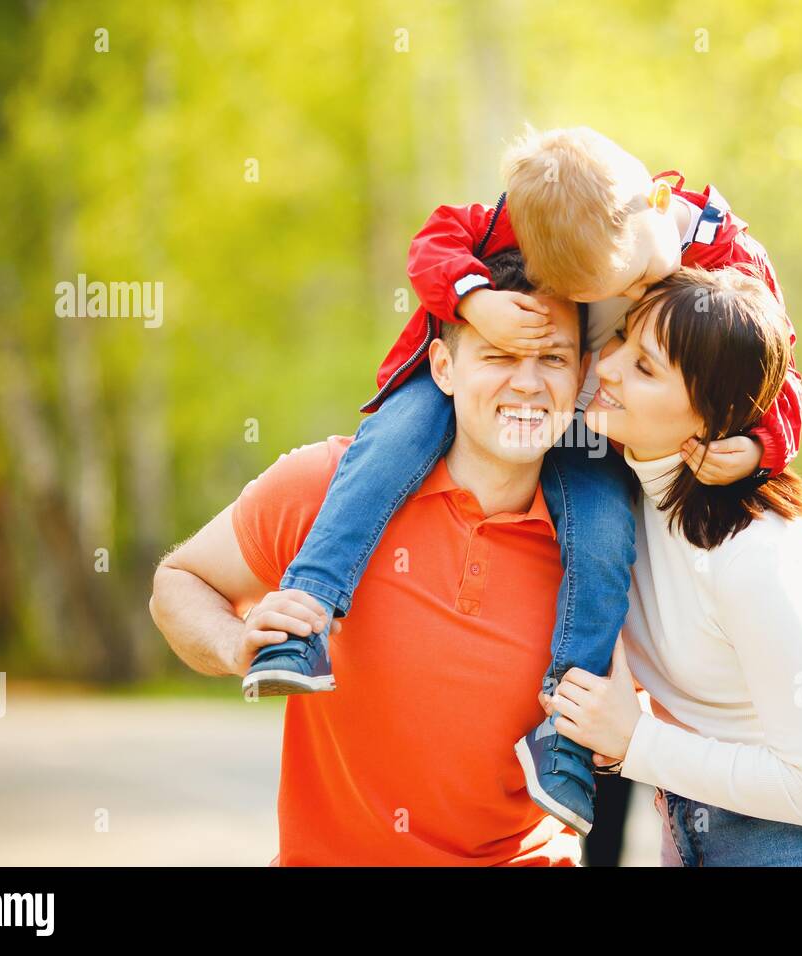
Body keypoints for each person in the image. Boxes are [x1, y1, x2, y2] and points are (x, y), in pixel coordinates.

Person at [248, 126, 802, 837]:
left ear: (653, 205)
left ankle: (566, 738)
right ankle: (305, 612)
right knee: (386, 446)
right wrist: (473, 298)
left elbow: (777, 370)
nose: (629, 296)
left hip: (582, 417)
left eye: (632, 287)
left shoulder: (731, 258)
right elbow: (435, 241)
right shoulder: (539, 214)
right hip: (479, 373)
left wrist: (760, 447)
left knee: (604, 539)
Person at [149, 252, 593, 865]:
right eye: (497, 355)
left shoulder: (608, 554)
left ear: (583, 374)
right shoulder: (327, 491)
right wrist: (234, 643)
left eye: (552, 358)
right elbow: (179, 580)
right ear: (443, 367)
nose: (527, 382)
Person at [542, 267, 802, 866]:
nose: (606, 367)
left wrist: (635, 741)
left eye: (645, 367)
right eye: (621, 340)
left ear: (711, 420)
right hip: (696, 839)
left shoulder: (756, 553)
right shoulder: (627, 498)